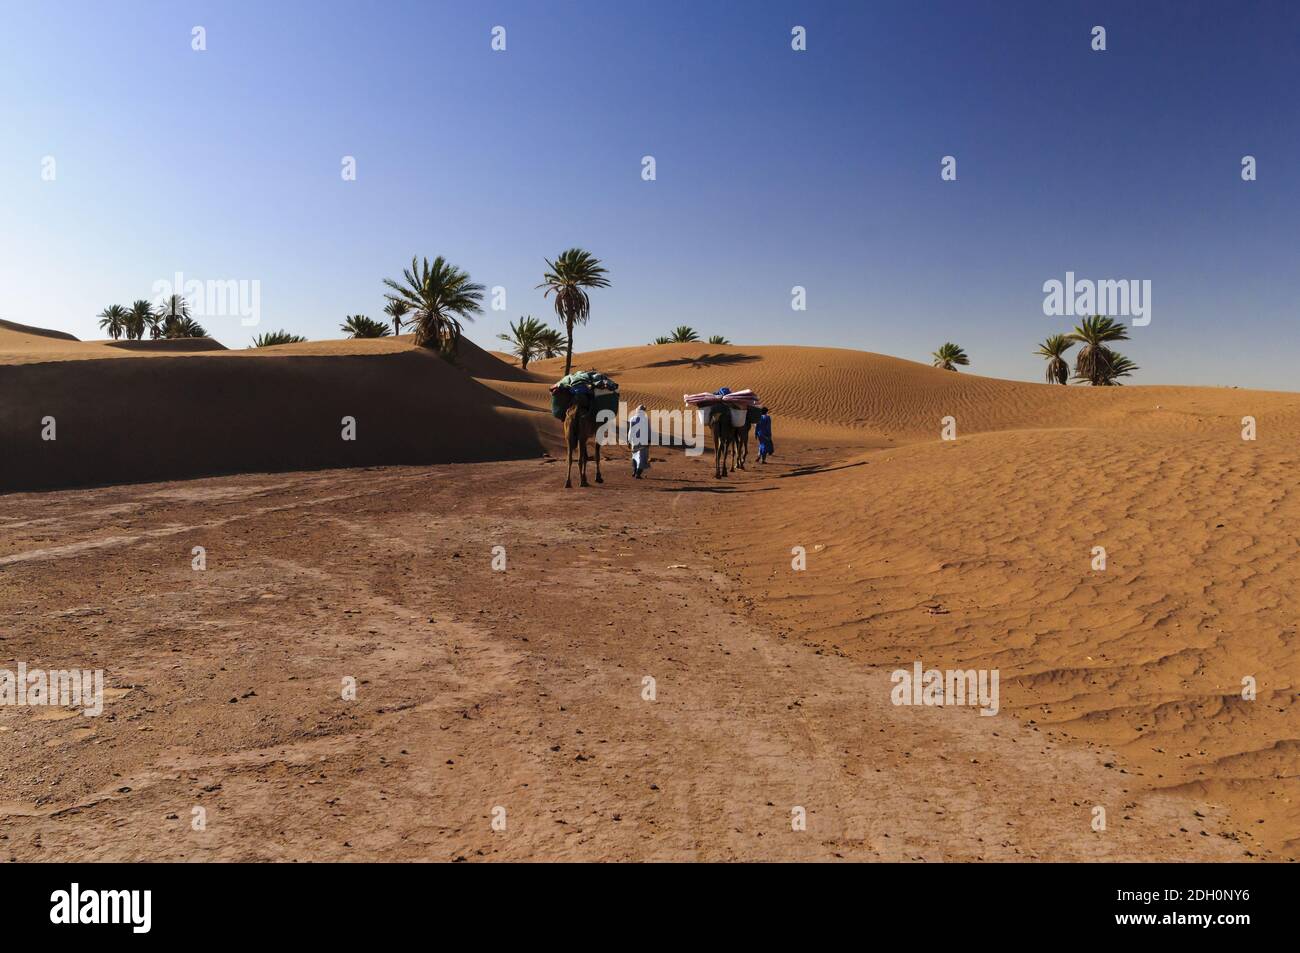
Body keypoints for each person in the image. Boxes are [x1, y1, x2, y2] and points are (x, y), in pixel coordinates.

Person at [628, 404, 651, 479]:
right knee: (643, 457)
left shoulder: (632, 418)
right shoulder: (645, 419)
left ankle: (634, 472)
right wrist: (649, 440)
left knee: (635, 456)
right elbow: (648, 430)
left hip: (634, 441)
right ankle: (638, 473)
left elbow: (630, 431)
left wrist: (629, 440)